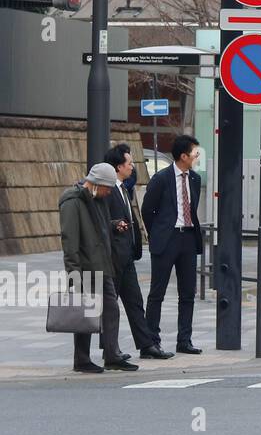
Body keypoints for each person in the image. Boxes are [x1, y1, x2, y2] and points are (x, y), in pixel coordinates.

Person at [59, 163, 133, 372]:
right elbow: (70, 240)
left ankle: (112, 355)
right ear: (96, 183)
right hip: (85, 267)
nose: (109, 192)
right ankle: (81, 360)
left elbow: (98, 226)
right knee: (85, 314)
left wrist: (113, 225)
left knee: (111, 309)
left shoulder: (98, 199)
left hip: (102, 264)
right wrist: (74, 274)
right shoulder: (72, 201)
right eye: (107, 188)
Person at [104, 146, 172, 360]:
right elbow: (100, 221)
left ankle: (146, 345)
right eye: (129, 163)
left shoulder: (123, 188)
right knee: (110, 306)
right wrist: (115, 225)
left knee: (135, 302)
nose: (132, 167)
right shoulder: (108, 190)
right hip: (114, 257)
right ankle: (110, 350)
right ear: (118, 166)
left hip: (128, 257)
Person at [140, 134, 204, 355]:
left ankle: (184, 341)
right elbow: (147, 210)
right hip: (166, 240)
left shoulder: (195, 179)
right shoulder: (161, 178)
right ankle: (151, 341)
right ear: (183, 156)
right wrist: (157, 233)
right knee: (157, 293)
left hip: (188, 238)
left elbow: (193, 208)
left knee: (188, 293)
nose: (197, 156)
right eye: (195, 152)